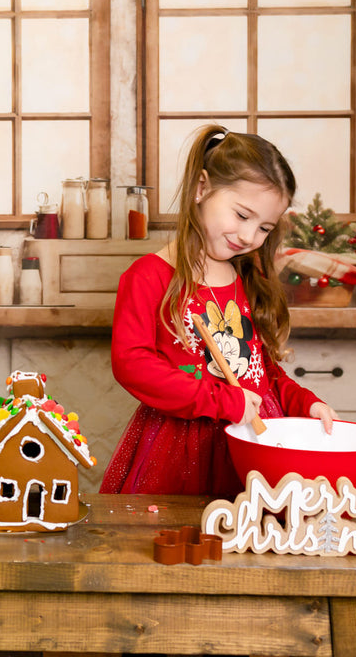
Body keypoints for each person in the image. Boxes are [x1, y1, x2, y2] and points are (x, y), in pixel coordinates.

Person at [100, 124, 336, 497]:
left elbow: (261, 373)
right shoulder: (149, 276)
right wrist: (220, 400)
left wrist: (304, 402)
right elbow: (132, 364)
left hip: (252, 443)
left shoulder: (247, 277)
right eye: (242, 215)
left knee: (252, 531)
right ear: (201, 188)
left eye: (264, 227)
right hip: (180, 447)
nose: (249, 236)